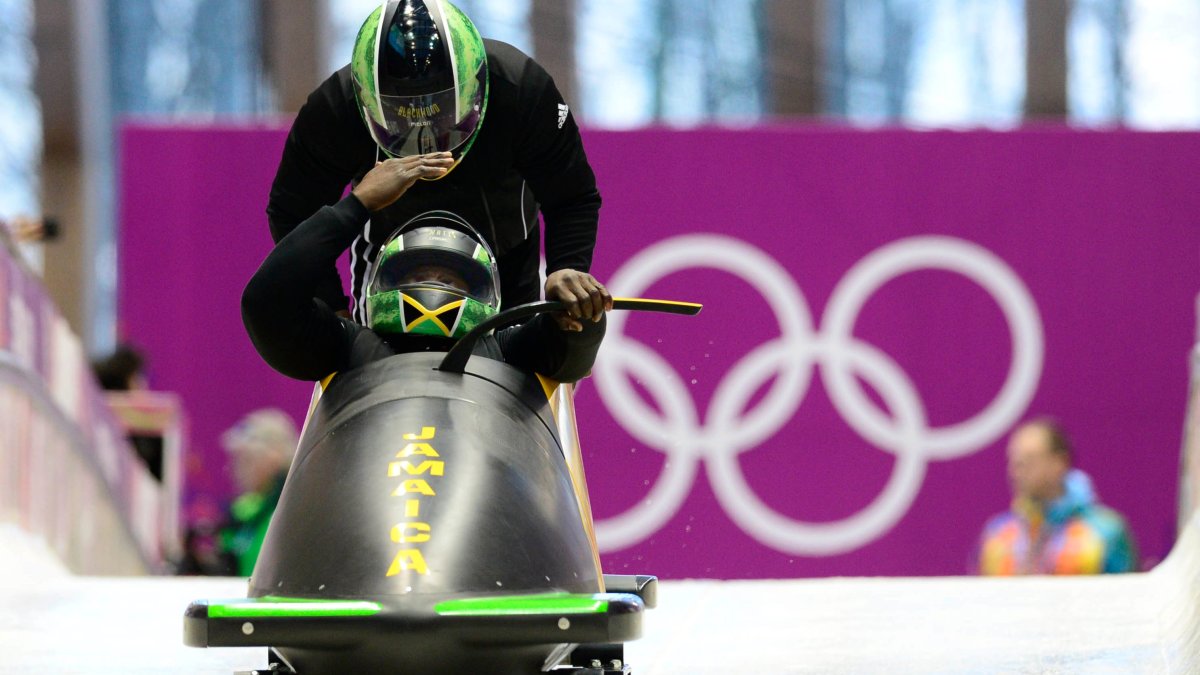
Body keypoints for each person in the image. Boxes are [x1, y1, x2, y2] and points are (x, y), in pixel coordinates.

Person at [268, 0, 609, 332]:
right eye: (404, 113)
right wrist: (331, 305)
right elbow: (293, 210)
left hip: (506, 256)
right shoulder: (334, 108)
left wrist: (566, 268)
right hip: (388, 263)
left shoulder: (524, 90)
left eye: (439, 108)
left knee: (523, 371)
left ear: (474, 84)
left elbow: (572, 196)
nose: (426, 136)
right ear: (366, 99)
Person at [243, 155, 606, 386]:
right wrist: (357, 204)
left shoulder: (511, 349)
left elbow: (571, 348)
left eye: (448, 279)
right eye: (417, 276)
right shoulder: (343, 347)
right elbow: (267, 303)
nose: (433, 286)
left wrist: (578, 308)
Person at [977, 418, 1138, 575]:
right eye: (1014, 461)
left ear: (1059, 462)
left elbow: (1127, 598)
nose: (1017, 470)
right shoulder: (997, 535)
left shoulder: (1105, 532)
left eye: (1029, 460)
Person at [218, 408, 300, 577]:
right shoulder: (243, 509)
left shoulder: (292, 509)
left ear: (274, 457)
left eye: (246, 459)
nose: (234, 469)